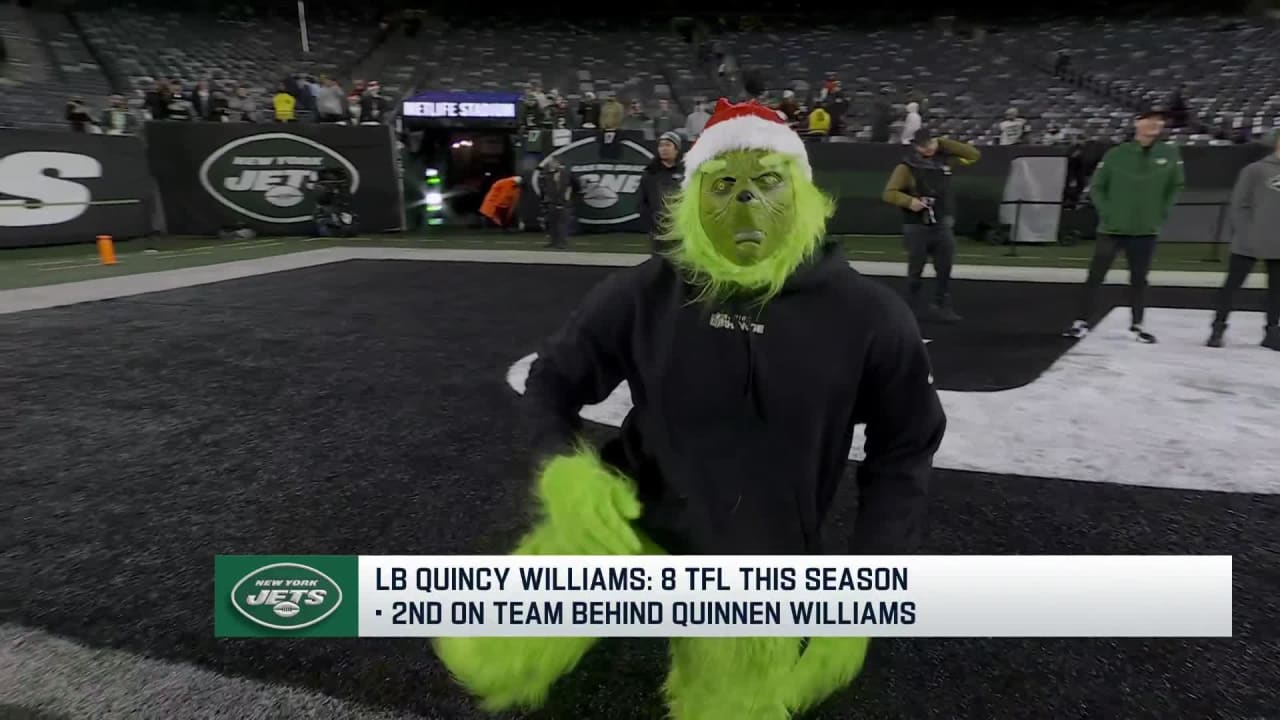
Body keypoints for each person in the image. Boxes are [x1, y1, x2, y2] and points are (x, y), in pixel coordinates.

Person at [433, 97, 945, 720]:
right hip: (626, 517)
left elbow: (904, 449)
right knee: (487, 655)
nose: (746, 202)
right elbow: (553, 381)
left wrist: (865, 593)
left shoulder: (870, 318)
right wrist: (563, 469)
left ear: (805, 194)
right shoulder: (648, 290)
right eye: (722, 185)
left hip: (757, 557)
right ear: (692, 199)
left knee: (735, 709)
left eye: (767, 182)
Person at [1064, 110, 1184, 343]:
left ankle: (1137, 325)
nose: (1156, 123)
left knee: (1139, 279)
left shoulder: (1169, 153)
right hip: (1112, 229)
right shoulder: (1117, 154)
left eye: (1159, 120)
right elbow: (1097, 187)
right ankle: (1081, 321)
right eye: (1150, 119)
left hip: (1145, 230)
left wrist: (1161, 212)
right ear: (1138, 123)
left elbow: (1176, 185)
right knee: (1096, 276)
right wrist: (1108, 213)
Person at [882, 126, 982, 323]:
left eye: (930, 143)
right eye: (922, 145)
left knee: (944, 268)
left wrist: (943, 142)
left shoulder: (945, 159)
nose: (927, 148)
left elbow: (974, 155)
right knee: (915, 270)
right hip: (916, 225)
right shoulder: (906, 167)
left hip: (942, 223)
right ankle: (909, 308)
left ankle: (941, 305)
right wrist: (910, 202)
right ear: (915, 147)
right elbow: (889, 193)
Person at [1208, 130, 1280, 350]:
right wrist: (1246, 234)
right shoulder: (1255, 170)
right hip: (1249, 241)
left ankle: (1272, 332)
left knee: (1276, 291)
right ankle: (1218, 328)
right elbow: (1239, 204)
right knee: (1232, 286)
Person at [639, 131, 685, 253]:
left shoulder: (687, 172)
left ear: (677, 149)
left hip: (682, 230)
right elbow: (643, 203)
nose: (664, 149)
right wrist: (652, 225)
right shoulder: (650, 173)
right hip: (659, 231)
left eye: (668, 145)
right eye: (661, 145)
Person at [538, 156, 574, 249]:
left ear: (558, 163)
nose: (550, 164)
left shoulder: (566, 173)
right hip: (552, 202)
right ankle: (553, 242)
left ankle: (562, 243)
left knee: (562, 223)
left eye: (553, 162)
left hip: (563, 201)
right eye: (550, 162)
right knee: (552, 223)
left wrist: (568, 195)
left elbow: (574, 184)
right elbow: (545, 188)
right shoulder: (547, 175)